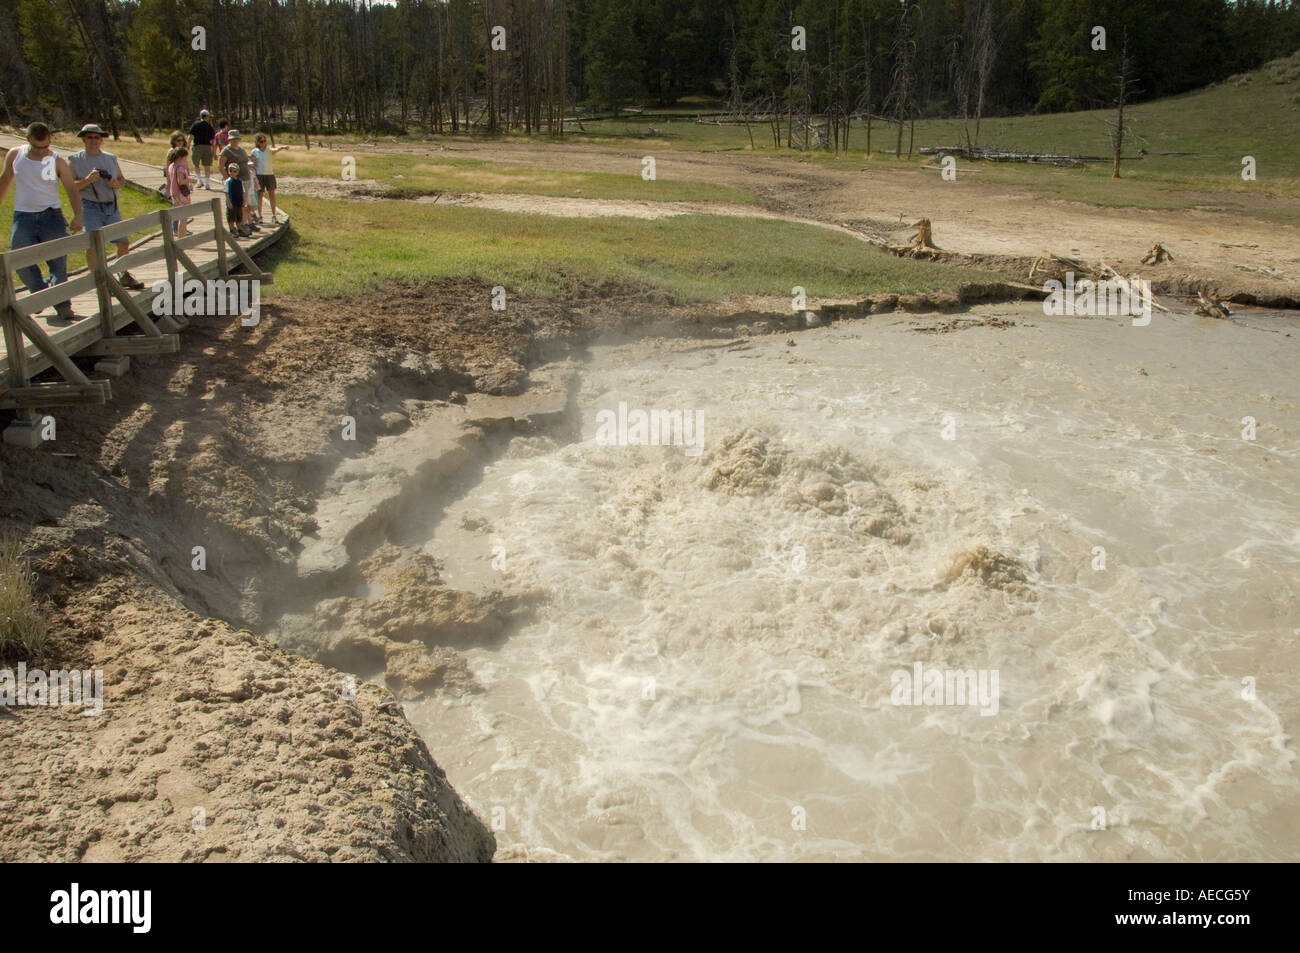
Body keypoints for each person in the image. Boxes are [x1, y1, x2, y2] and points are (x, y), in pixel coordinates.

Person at [0, 122, 85, 324]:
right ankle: (39, 292)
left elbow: (71, 189)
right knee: (19, 259)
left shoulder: (56, 160)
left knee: (57, 261)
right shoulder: (15, 155)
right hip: (24, 215)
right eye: (38, 147)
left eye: (45, 146)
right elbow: (4, 180)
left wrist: (78, 215)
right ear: (28, 140)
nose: (42, 151)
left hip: (51, 215)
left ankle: (63, 306)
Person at [68, 123, 145, 290]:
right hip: (90, 206)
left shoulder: (111, 158)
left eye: (97, 137)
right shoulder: (75, 160)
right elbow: (71, 186)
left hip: (111, 205)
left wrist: (115, 183)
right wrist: (88, 180)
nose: (94, 141)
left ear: (101, 140)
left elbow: (122, 180)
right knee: (93, 245)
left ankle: (123, 274)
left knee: (123, 242)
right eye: (90, 137)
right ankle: (98, 281)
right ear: (83, 139)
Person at [218, 130, 254, 232]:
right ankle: (234, 226)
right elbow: (220, 166)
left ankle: (242, 223)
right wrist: (228, 178)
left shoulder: (242, 150)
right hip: (233, 181)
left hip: (245, 179)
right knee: (233, 204)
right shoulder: (226, 151)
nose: (235, 140)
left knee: (243, 202)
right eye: (233, 139)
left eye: (236, 138)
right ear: (229, 139)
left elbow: (246, 163)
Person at [251, 134, 287, 224]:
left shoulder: (269, 150)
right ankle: (260, 216)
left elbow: (275, 150)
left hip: (269, 174)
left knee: (272, 194)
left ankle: (274, 215)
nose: (263, 143)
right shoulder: (254, 152)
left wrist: (282, 147)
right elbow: (252, 163)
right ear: (257, 142)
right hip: (259, 175)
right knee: (260, 195)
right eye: (261, 141)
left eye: (264, 141)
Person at [166, 145, 195, 238]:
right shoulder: (180, 168)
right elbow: (180, 181)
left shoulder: (171, 166)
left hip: (174, 194)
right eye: (185, 158)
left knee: (180, 218)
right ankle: (181, 238)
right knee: (183, 219)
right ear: (180, 157)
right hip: (181, 194)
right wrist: (191, 180)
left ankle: (180, 237)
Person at [188, 109, 216, 189]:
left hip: (197, 146)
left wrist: (188, 145)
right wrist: (214, 152)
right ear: (206, 117)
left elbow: (191, 136)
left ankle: (199, 181)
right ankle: (207, 183)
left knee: (196, 164)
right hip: (207, 147)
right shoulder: (210, 127)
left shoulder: (195, 125)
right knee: (207, 165)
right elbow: (213, 141)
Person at [223, 162, 247, 237]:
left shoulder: (240, 181)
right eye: (230, 171)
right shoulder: (228, 182)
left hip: (238, 201)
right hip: (231, 201)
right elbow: (226, 193)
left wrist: (244, 200)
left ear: (238, 172)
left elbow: (243, 192)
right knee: (231, 217)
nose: (232, 173)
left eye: (234, 171)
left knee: (239, 216)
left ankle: (239, 228)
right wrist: (228, 202)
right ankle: (232, 229)